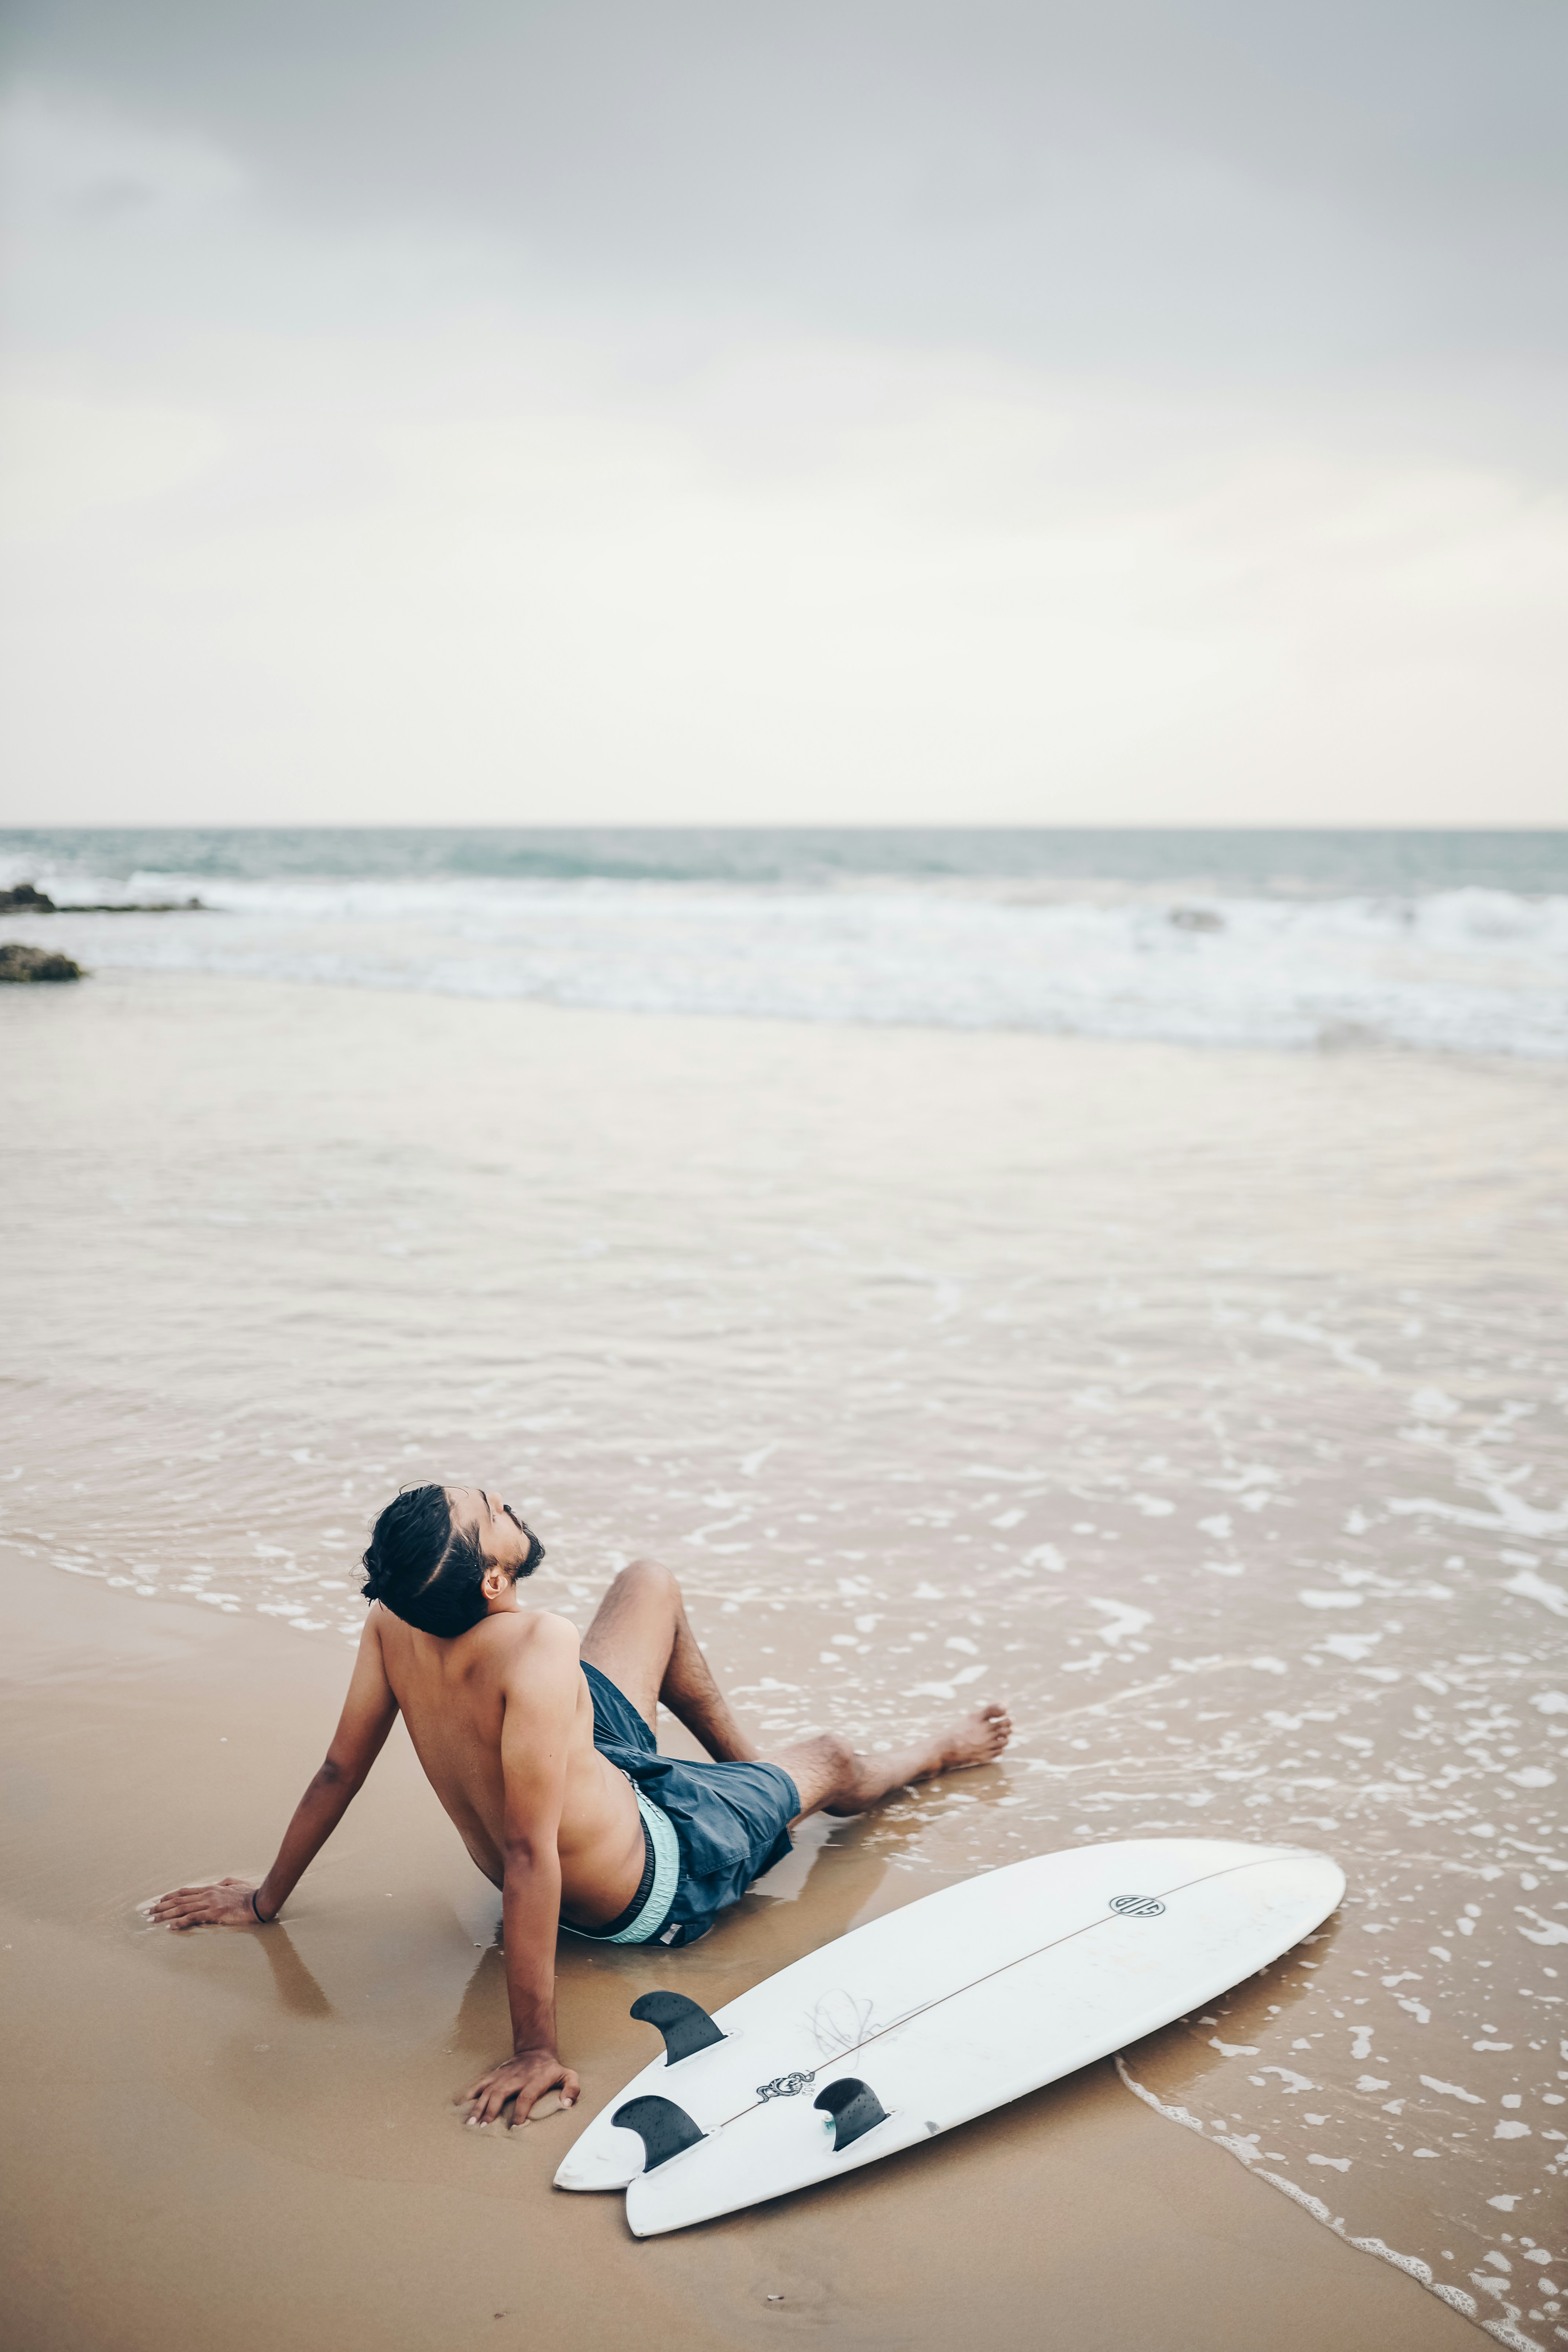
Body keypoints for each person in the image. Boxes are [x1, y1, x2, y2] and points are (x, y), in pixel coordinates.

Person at [151, 1484, 1013, 2128]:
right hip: (651, 1879)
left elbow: (341, 1768)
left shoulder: (395, 1620)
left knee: (648, 1583)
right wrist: (536, 2047)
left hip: (597, 1771)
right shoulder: (541, 1643)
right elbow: (529, 1858)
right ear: (494, 1579)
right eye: (491, 1509)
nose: (501, 1499)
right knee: (831, 1754)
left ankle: (751, 1782)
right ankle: (894, 1765)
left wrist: (268, 1898)